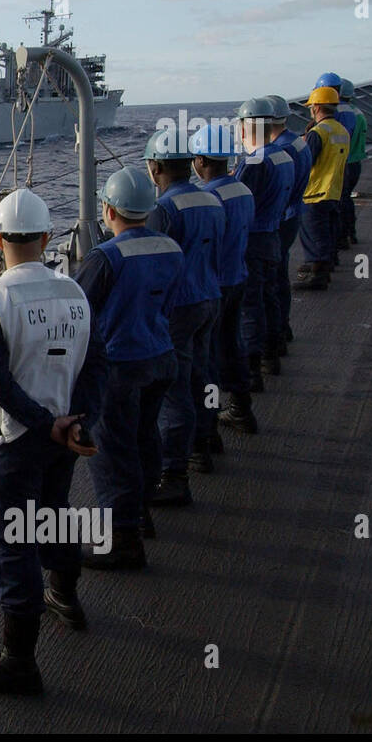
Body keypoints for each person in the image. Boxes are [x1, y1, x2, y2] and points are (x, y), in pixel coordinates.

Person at [0, 188, 106, 695]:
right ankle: (64, 595)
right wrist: (77, 422)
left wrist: (44, 423)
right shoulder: (75, 293)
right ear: (46, 239)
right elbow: (94, 361)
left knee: (12, 544)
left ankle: (19, 662)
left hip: (11, 440)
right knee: (53, 514)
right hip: (62, 434)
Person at [74, 166, 182, 569]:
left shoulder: (105, 257)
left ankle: (122, 539)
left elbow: (78, 309)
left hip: (119, 366)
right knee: (145, 436)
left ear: (109, 211)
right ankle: (141, 511)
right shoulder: (171, 248)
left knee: (112, 450)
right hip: (161, 357)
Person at [143, 128, 223, 508]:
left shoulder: (163, 209)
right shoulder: (211, 199)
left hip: (179, 309)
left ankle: (174, 474)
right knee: (201, 375)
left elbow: (152, 264)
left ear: (156, 167)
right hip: (210, 297)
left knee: (174, 391)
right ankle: (204, 441)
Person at [190, 124, 256, 446]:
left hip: (214, 287)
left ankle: (209, 423)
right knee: (233, 344)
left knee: (207, 361)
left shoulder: (209, 198)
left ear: (201, 161)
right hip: (238, 278)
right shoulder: (243, 190)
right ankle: (241, 408)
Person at [234, 97, 293, 388]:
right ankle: (273, 351)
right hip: (273, 235)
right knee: (270, 295)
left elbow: (240, 206)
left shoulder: (254, 162)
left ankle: (252, 369)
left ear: (246, 128)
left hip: (253, 242)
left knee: (250, 305)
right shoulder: (284, 155)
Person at [264, 94, 310, 356]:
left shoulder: (280, 150)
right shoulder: (297, 141)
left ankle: (276, 334)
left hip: (280, 220)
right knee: (280, 273)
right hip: (293, 214)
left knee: (272, 279)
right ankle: (283, 326)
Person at [294, 86, 350, 291]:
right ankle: (325, 265)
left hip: (315, 192)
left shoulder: (317, 132)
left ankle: (317, 275)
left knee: (314, 235)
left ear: (316, 107)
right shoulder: (341, 130)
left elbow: (306, 162)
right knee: (327, 232)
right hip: (334, 190)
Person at [336, 77, 367, 248]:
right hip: (355, 163)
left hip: (344, 163)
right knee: (346, 199)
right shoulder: (357, 112)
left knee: (340, 201)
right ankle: (351, 233)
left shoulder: (340, 114)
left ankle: (342, 236)